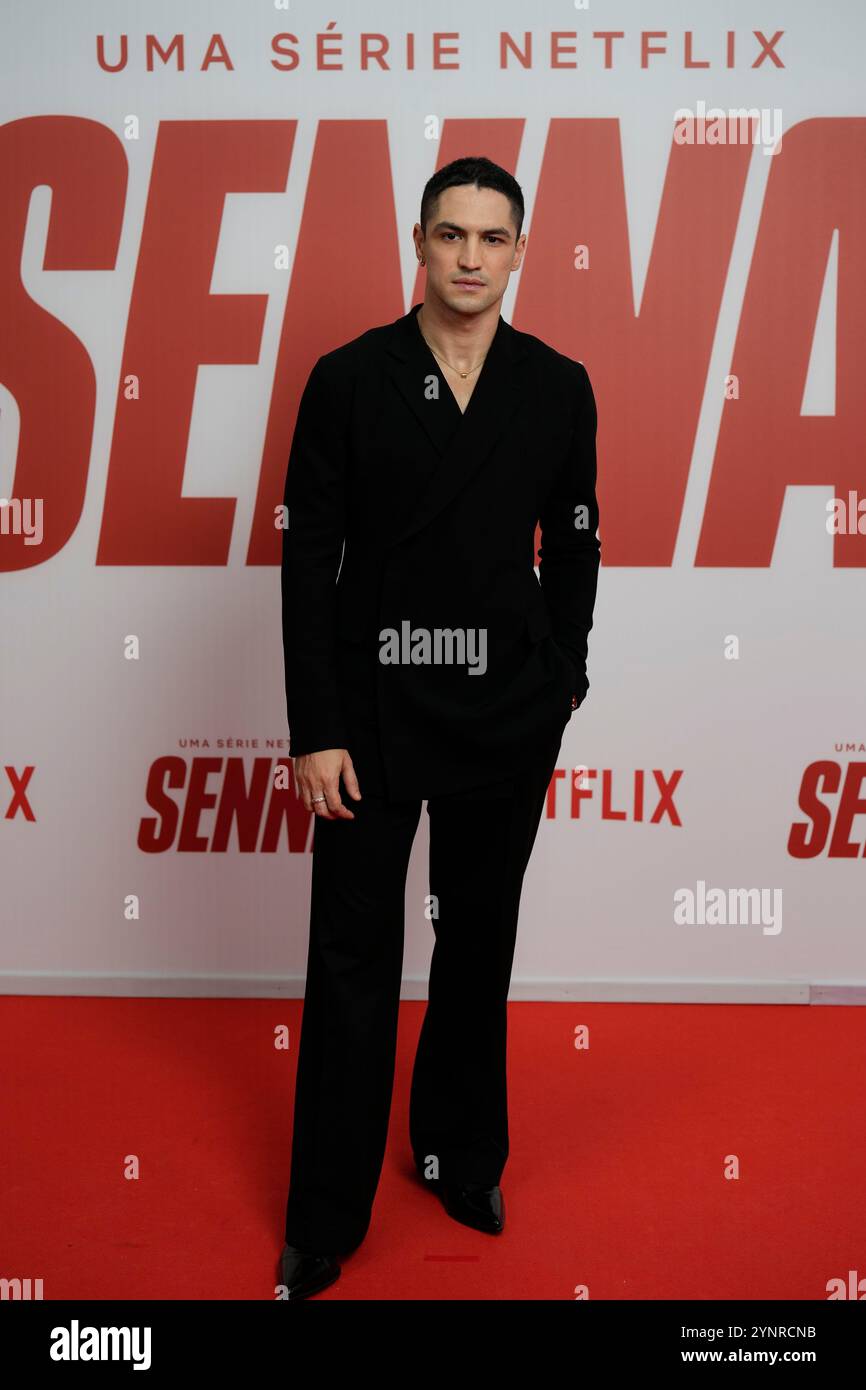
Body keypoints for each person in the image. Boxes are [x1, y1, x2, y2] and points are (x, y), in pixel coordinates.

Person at [277, 156, 601, 1299]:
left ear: (518, 251)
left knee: (477, 942)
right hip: (367, 709)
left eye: (491, 237)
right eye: (450, 234)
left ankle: (458, 1153)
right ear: (417, 243)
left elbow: (573, 542)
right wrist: (314, 726)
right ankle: (323, 1211)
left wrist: (561, 674)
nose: (469, 256)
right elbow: (308, 557)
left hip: (503, 712)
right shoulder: (348, 377)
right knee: (352, 958)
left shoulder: (557, 385)